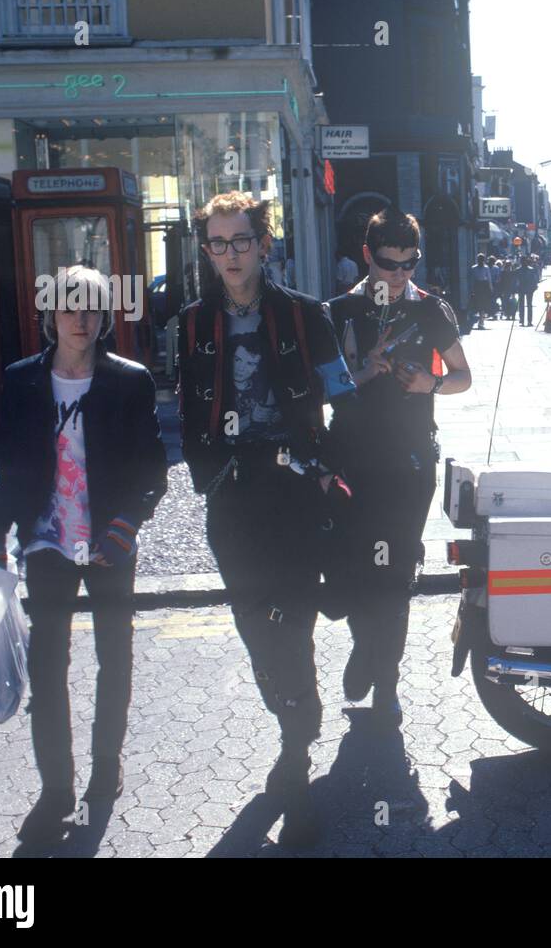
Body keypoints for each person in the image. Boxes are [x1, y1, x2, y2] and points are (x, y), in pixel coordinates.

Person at [178, 191, 356, 849]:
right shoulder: (193, 323)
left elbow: (344, 399)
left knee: (294, 630)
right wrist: (206, 474)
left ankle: (297, 762)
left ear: (264, 242)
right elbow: (188, 409)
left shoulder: (307, 316)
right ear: (207, 249)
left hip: (294, 499)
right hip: (232, 501)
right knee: (257, 632)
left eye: (241, 240)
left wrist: (328, 471)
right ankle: (296, 730)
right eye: (218, 243)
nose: (230, 253)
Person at [0, 264, 167, 847]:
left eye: (91, 307)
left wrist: (125, 525)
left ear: (105, 315)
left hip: (109, 543)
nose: (80, 319)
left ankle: (105, 766)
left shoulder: (129, 381)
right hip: (47, 541)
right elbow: (9, 469)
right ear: (49, 316)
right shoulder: (21, 381)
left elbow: (152, 472)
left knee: (115, 658)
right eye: (68, 307)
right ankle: (56, 788)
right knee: (48, 666)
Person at [325, 208, 472, 726]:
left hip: (409, 462)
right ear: (368, 256)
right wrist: (365, 372)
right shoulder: (339, 311)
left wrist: (427, 384)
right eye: (390, 265)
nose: (400, 276)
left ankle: (385, 680)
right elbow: (320, 387)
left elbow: (463, 377)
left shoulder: (433, 311)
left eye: (410, 265)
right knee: (353, 571)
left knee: (394, 574)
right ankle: (366, 646)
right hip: (350, 459)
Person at [469, 252, 492, 330]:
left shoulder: (486, 268)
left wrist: (490, 288)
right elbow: (472, 280)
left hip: (483, 287)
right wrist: (472, 289)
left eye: (482, 259)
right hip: (478, 286)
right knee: (478, 305)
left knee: (483, 305)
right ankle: (481, 321)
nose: (481, 261)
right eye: (480, 259)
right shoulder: (474, 268)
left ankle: (481, 321)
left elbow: (489, 279)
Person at [517, 254, 538, 327]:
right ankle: (522, 320)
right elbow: (516, 281)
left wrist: (534, 287)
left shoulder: (530, 270)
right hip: (522, 289)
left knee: (528, 305)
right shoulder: (518, 270)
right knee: (523, 305)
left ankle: (528, 321)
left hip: (528, 289)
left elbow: (535, 280)